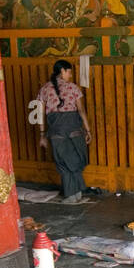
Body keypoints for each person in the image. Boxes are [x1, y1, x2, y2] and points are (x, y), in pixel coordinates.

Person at [36, 60, 92, 204]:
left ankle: (71, 195)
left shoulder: (44, 89)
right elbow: (81, 111)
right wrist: (88, 130)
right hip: (75, 130)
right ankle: (77, 194)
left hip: (56, 132)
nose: (71, 75)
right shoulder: (73, 88)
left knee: (63, 163)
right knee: (76, 160)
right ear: (62, 71)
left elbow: (40, 114)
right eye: (69, 72)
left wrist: (42, 135)